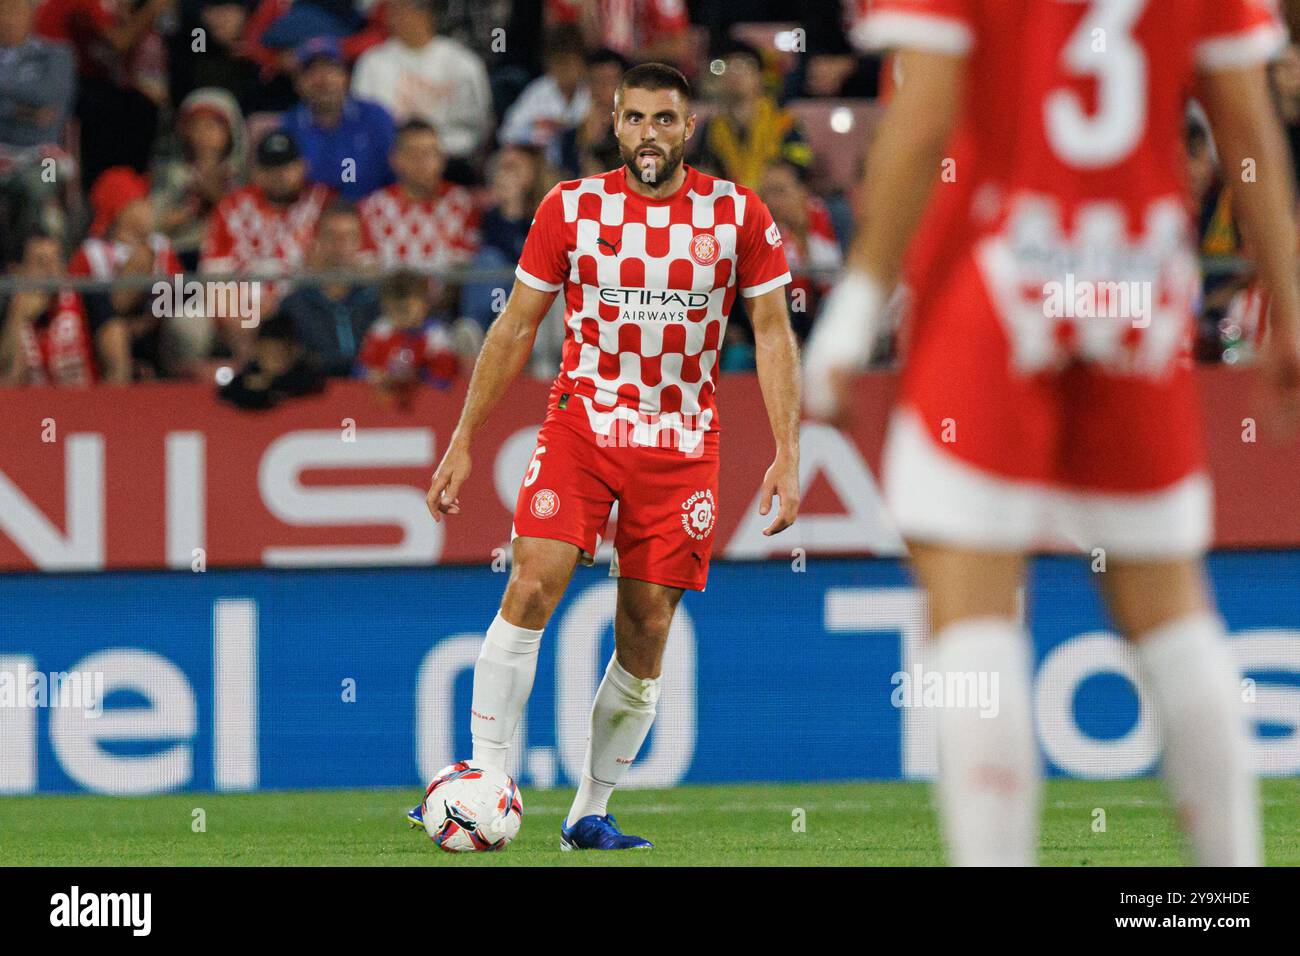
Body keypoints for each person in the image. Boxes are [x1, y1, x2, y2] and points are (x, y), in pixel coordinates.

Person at [804, 0, 1300, 866]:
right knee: (1172, 609)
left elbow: (921, 121)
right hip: (1137, 285)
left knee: (971, 613)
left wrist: (854, 305)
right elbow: (1246, 125)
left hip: (1003, 278)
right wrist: (1288, 306)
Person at [412, 63, 802, 850]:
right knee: (533, 580)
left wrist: (788, 453)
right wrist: (462, 441)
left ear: (688, 128)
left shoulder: (738, 215)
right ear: (614, 125)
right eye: (635, 118)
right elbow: (516, 327)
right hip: (582, 429)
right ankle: (486, 777)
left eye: (665, 118)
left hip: (684, 444)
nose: (649, 133)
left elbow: (771, 333)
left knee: (646, 626)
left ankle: (589, 808)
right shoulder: (571, 208)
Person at [350, 0, 491, 164]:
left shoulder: (462, 61)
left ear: (426, 12)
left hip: (452, 161)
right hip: (391, 160)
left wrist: (432, 151)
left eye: (402, 8)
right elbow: (362, 122)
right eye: (392, 9)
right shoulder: (372, 61)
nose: (393, 16)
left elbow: (476, 126)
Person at [0, 0, 76, 263]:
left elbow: (49, 99)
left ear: (30, 14)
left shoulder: (57, 55)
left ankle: (20, 263)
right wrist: (24, 110)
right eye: (1, 10)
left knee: (38, 185)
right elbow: (35, 103)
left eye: (13, 9)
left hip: (45, 156)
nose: (6, 17)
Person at [281, 35, 396, 201]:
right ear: (297, 82)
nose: (322, 80)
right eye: (310, 71)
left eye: (330, 68)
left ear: (346, 76)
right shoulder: (289, 127)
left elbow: (398, 178)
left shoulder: (376, 118)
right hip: (312, 221)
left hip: (373, 215)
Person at [691, 41, 813, 190]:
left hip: (772, 200)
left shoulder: (784, 121)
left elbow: (800, 166)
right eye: (726, 69)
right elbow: (703, 169)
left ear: (759, 77)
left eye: (742, 68)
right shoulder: (712, 127)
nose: (734, 76)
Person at [279, 200, 380, 376]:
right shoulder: (293, 305)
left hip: (371, 394)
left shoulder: (378, 300)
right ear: (317, 239)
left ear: (360, 241)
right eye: (331, 235)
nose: (341, 244)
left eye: (349, 236)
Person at [0, 232, 97, 387]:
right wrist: (19, 318)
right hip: (30, 405)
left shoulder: (86, 296)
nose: (51, 271)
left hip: (84, 402)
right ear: (17, 271)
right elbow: (10, 380)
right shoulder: (6, 309)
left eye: (55, 261)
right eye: (41, 263)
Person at [358, 268, 460, 408]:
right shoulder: (381, 331)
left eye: (406, 309)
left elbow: (445, 379)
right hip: (384, 408)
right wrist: (376, 375)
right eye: (394, 310)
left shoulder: (435, 335)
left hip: (427, 408)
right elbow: (360, 371)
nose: (400, 316)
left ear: (424, 304)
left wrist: (418, 376)